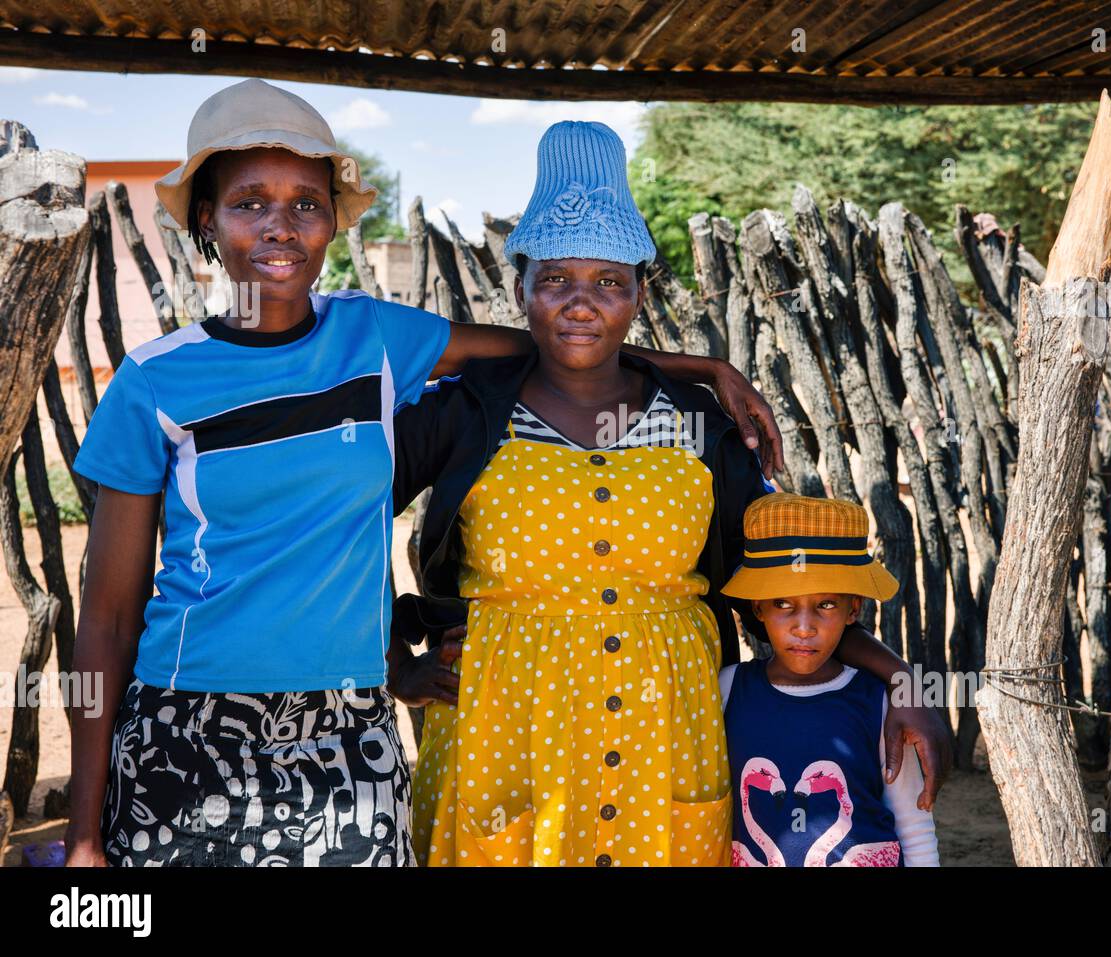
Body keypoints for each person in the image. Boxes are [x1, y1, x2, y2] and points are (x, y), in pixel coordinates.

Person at [64, 80, 781, 868]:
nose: (280, 225)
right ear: (205, 216)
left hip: (349, 733)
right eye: (248, 203)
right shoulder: (154, 380)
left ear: (334, 219)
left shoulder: (374, 339)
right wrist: (85, 836)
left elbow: (556, 343)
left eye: (306, 203)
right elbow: (105, 619)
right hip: (190, 722)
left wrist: (704, 371)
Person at [387, 120, 951, 867]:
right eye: (555, 279)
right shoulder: (465, 410)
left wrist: (900, 674)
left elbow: (781, 579)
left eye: (609, 282)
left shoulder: (698, 424)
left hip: (668, 738)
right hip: (505, 732)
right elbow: (338, 515)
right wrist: (390, 658)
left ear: (640, 293)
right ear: (518, 284)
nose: (582, 303)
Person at [719, 493, 940, 867]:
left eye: (825, 605)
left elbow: (915, 827)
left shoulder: (879, 701)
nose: (804, 628)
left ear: (853, 609)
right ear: (757, 607)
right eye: (783, 604)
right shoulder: (727, 690)